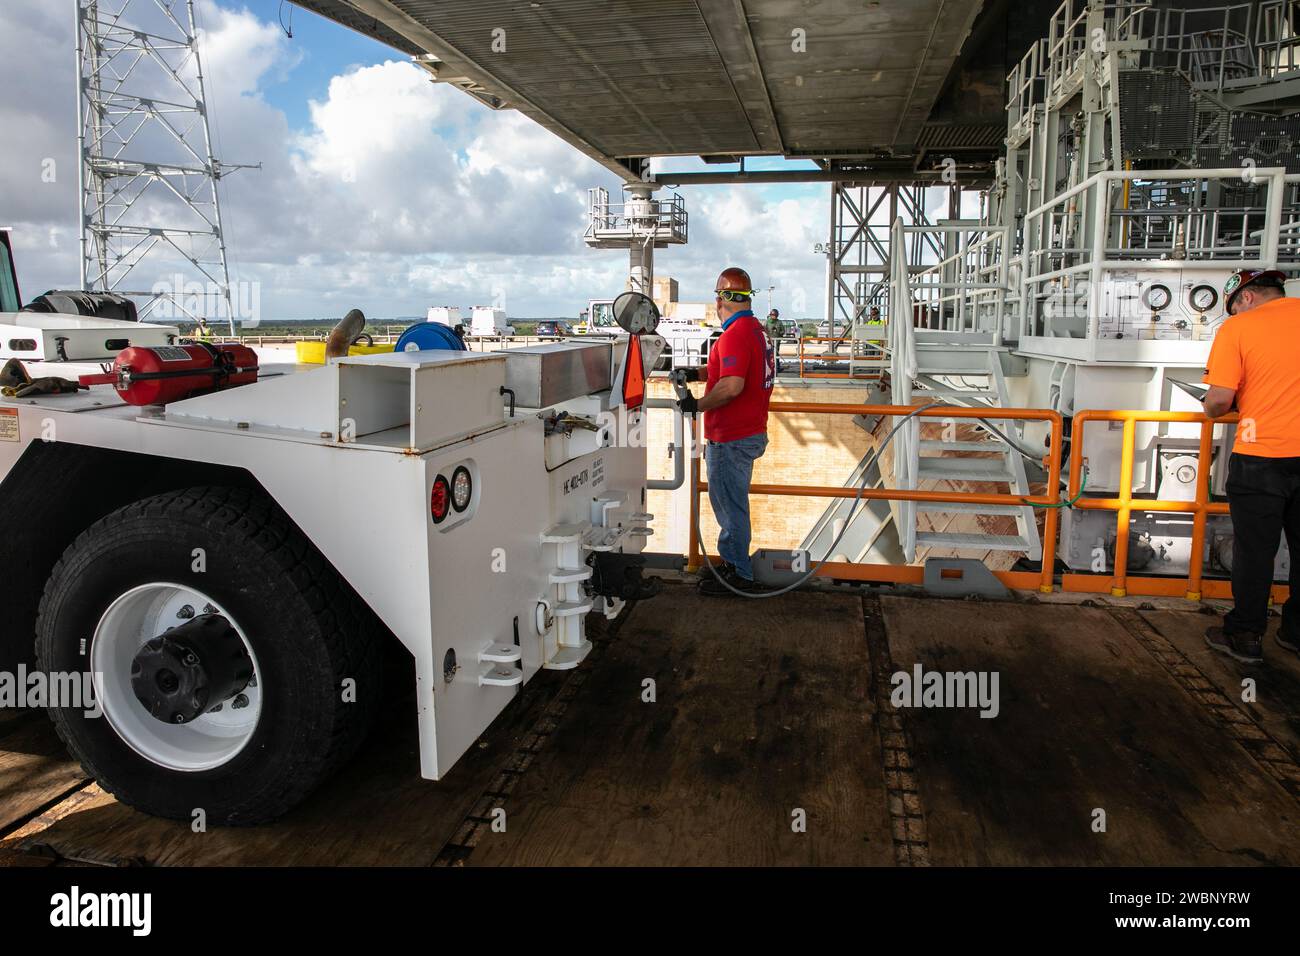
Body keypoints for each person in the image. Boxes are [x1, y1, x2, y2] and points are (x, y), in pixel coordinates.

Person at [1201, 268, 1300, 663]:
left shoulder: (1238, 330)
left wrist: (1210, 407)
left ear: (1245, 299)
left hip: (1263, 455)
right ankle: (1295, 633)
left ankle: (1245, 635)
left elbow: (1220, 400)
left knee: (1255, 552)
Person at [676, 267, 776, 596]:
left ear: (721, 299)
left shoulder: (734, 334)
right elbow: (728, 369)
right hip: (746, 432)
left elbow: (732, 385)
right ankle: (732, 564)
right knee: (731, 504)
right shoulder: (755, 330)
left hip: (732, 438)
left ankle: (739, 575)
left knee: (730, 507)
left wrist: (697, 405)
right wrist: (697, 371)